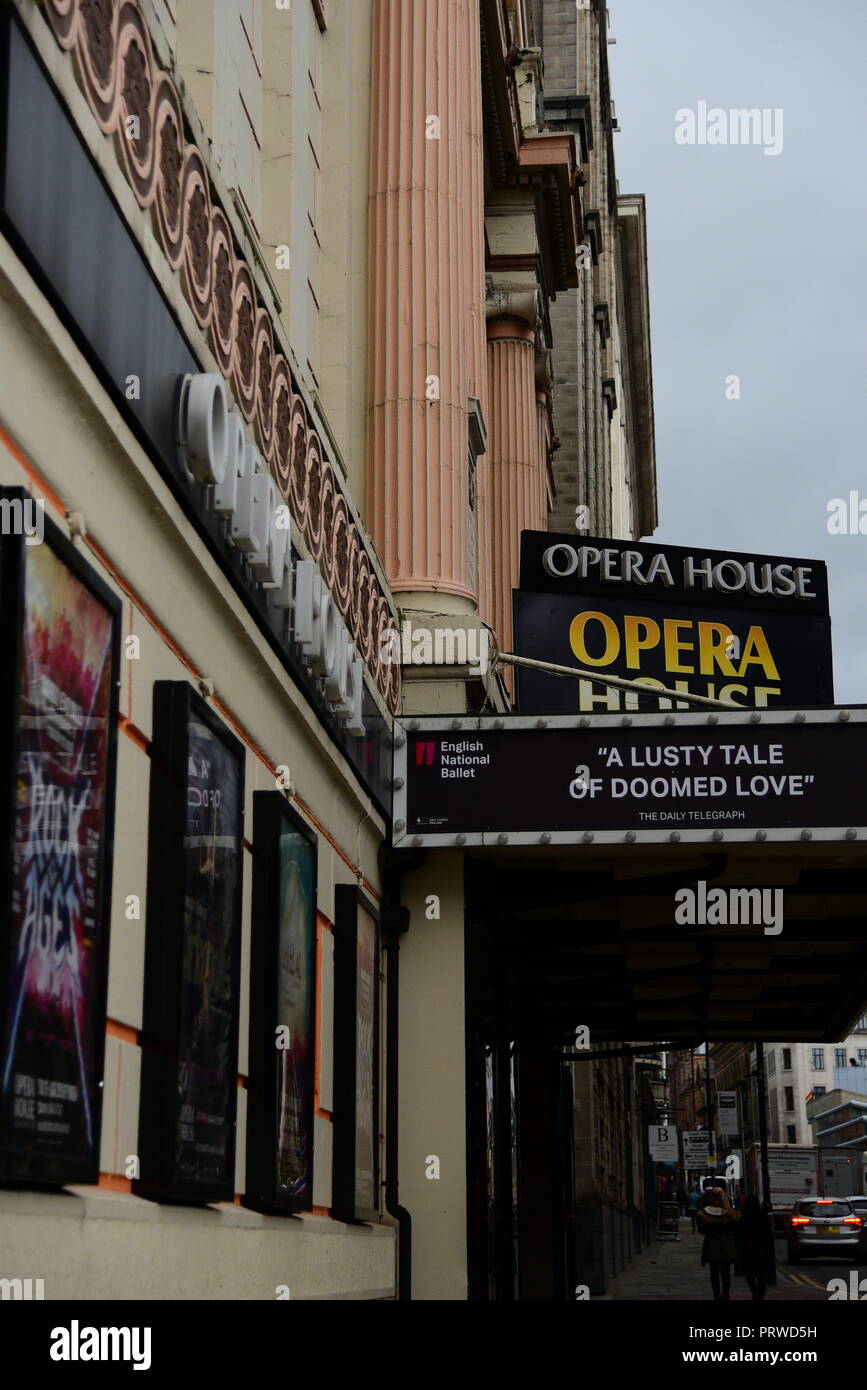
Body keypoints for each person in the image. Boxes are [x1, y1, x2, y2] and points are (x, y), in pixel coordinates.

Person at [696, 1184, 738, 1300]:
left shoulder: (705, 1214)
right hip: (726, 1245)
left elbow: (702, 1230)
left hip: (712, 1245)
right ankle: (726, 1294)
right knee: (726, 1273)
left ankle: (716, 1294)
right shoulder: (730, 1214)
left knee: (714, 1272)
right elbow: (735, 1228)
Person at [733, 1195, 772, 1301]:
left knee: (749, 1273)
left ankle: (754, 1291)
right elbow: (768, 1233)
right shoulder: (762, 1215)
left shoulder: (743, 1217)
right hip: (760, 1248)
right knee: (761, 1274)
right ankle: (761, 1294)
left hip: (747, 1249)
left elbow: (737, 1234)